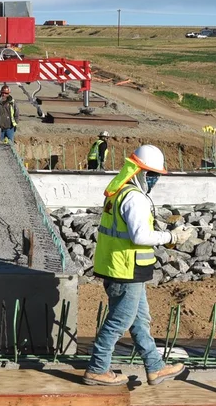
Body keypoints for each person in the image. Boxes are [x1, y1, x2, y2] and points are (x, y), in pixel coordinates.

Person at [83, 144, 196, 387]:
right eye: (152, 174)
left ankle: (155, 367)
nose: (155, 180)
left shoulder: (121, 192)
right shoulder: (135, 198)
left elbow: (132, 232)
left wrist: (165, 235)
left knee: (139, 321)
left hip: (122, 267)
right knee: (119, 321)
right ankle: (97, 369)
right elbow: (139, 237)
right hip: (125, 271)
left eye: (157, 175)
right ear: (140, 172)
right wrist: (172, 238)